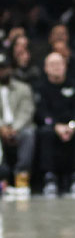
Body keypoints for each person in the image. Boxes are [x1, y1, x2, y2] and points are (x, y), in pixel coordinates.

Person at [35, 52, 75, 196]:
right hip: (52, 126)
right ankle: (49, 177)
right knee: (45, 133)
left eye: (59, 64)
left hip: (71, 126)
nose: (56, 67)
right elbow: (42, 113)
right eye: (52, 64)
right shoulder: (41, 88)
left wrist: (71, 126)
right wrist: (56, 126)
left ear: (65, 66)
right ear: (45, 68)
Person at [0, 51, 36, 197]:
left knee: (29, 133)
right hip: (1, 128)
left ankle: (21, 177)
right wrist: (1, 128)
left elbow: (26, 112)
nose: (2, 71)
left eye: (4, 67)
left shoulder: (23, 88)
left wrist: (14, 129)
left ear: (11, 69)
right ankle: (2, 179)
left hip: (18, 127)